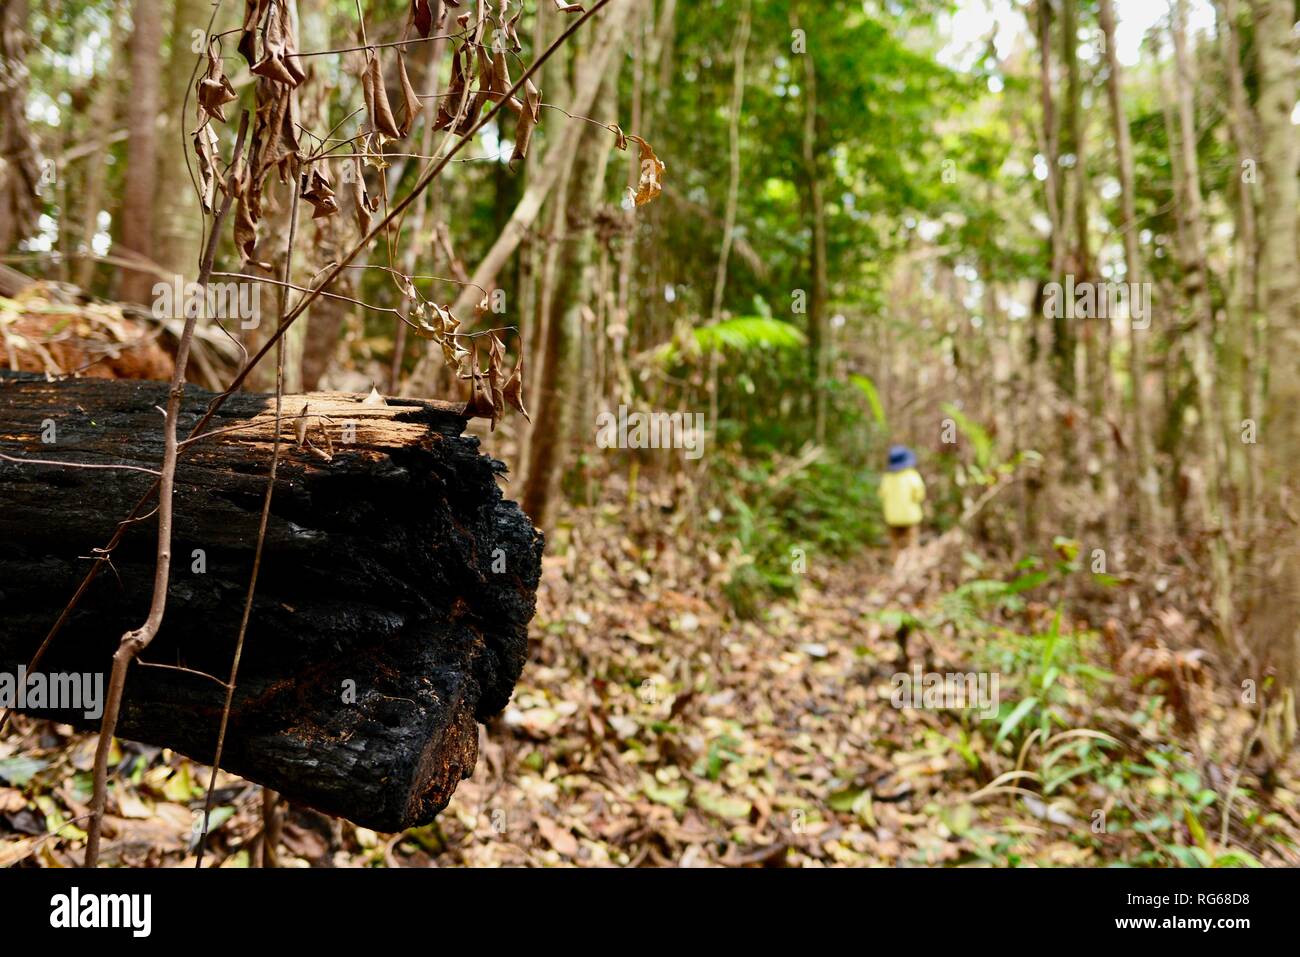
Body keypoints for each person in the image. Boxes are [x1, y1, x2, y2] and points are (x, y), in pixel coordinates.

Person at [880, 444, 925, 562]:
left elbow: (881, 494)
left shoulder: (887, 477)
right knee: (912, 542)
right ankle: (912, 564)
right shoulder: (912, 475)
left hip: (892, 518)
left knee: (894, 543)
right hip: (910, 517)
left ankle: (894, 563)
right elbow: (919, 494)